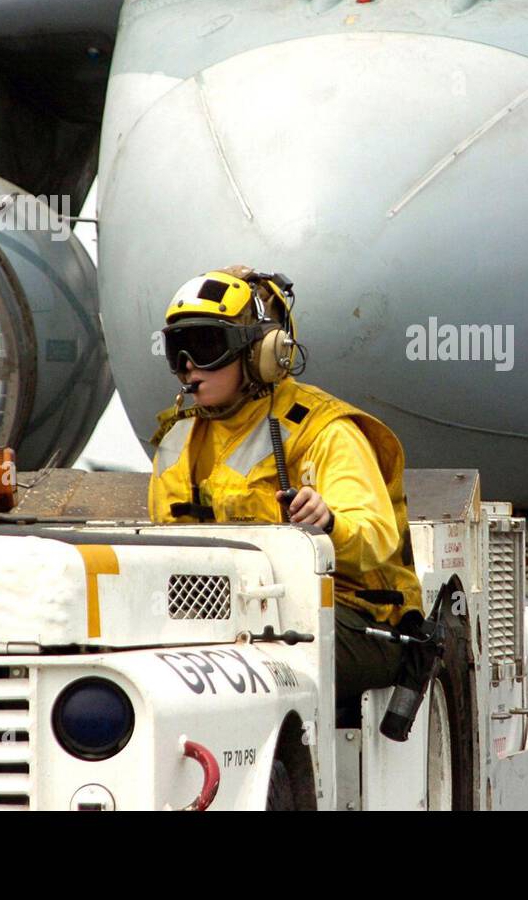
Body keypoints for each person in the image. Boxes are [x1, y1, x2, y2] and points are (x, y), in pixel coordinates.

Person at [147, 265, 423, 711]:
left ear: (261, 352)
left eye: (205, 347)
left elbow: (376, 537)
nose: (188, 368)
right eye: (177, 351)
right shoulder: (177, 440)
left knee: (259, 669)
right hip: (228, 616)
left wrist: (329, 524)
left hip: (350, 617)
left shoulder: (325, 430)